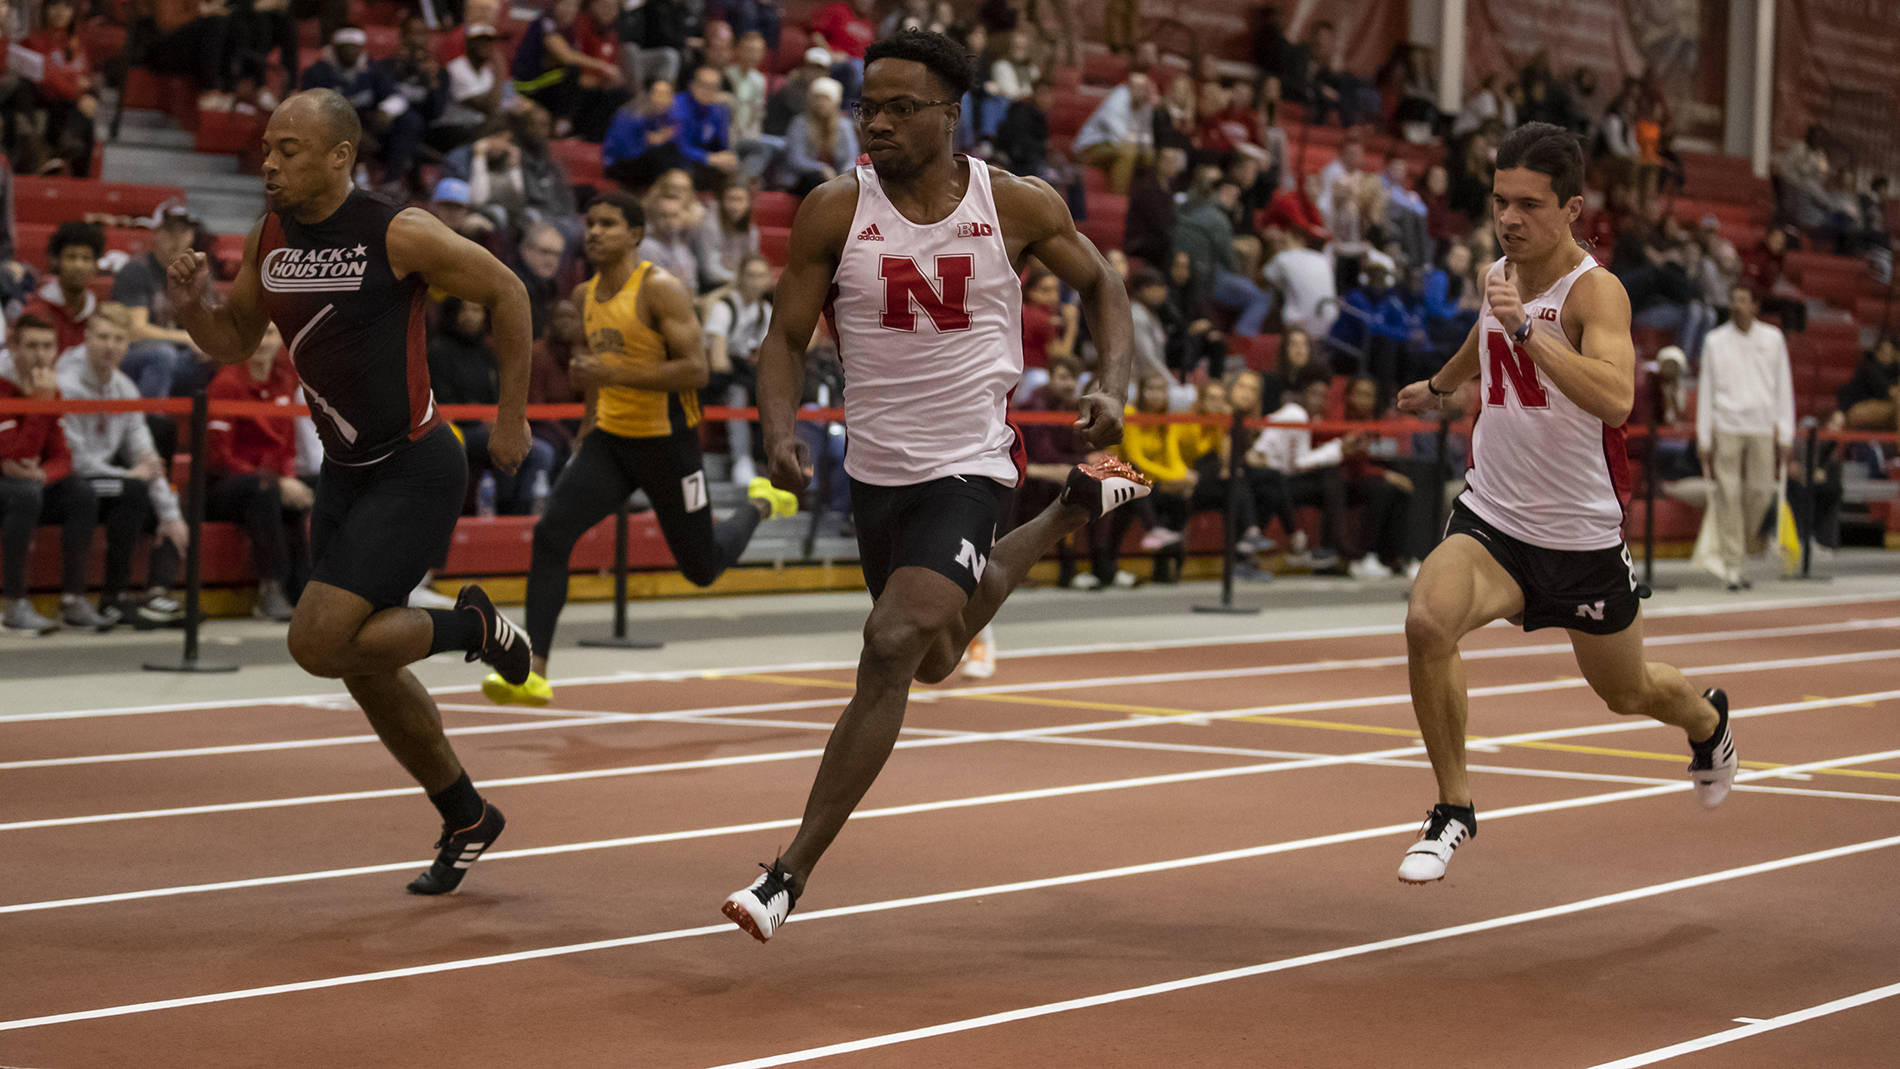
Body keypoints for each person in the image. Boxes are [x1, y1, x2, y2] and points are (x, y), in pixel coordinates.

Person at [721, 29, 1150, 941]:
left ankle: (786, 874)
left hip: (973, 462)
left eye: (897, 108)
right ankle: (1076, 506)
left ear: (952, 116)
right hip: (875, 471)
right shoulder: (834, 211)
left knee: (893, 640)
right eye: (867, 104)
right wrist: (777, 425)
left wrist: (1113, 382)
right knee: (940, 651)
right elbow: (784, 339)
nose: (873, 122)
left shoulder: (1017, 205)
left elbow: (1105, 286)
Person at [166, 89, 537, 896]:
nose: (268, 161)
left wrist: (511, 417)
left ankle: (470, 623)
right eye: (266, 146)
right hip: (343, 475)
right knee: (358, 664)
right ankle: (466, 812)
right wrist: (193, 311)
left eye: (289, 149)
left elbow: (509, 289)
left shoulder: (396, 231)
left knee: (314, 642)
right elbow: (234, 337)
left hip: (414, 466)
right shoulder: (269, 234)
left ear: (340, 156)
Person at [1393, 122, 1737, 884]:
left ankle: (1708, 720)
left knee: (1628, 691)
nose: (1509, 219)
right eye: (1498, 202)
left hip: (1579, 540)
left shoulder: (1596, 291)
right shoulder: (1499, 273)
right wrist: (1444, 386)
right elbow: (1485, 336)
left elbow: (1615, 398)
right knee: (1427, 621)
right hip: (1495, 519)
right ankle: (1453, 807)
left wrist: (1528, 329)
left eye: (1528, 205)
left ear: (1573, 208)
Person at [484, 192, 797, 707]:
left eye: (607, 223)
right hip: (611, 442)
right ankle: (532, 669)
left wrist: (613, 375)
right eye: (589, 223)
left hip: (669, 447)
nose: (594, 232)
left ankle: (761, 502)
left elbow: (697, 371)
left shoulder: (660, 290)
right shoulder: (584, 296)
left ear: (635, 234)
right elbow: (592, 374)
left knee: (701, 569)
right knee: (550, 534)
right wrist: (588, 426)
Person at [53, 304, 189, 629]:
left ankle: (141, 596)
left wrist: (171, 516)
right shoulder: (66, 383)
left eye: (118, 339)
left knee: (159, 499)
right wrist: (128, 475)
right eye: (102, 337)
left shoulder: (124, 388)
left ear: (128, 345)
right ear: (87, 338)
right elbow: (75, 458)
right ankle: (106, 598)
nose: (110, 346)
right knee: (131, 488)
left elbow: (146, 455)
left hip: (102, 480)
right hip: (66, 482)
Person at [205, 323, 313, 620]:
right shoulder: (227, 383)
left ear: (280, 338)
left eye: (269, 334)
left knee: (301, 497)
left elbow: (287, 445)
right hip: (222, 486)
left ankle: (304, 591)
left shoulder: (284, 380)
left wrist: (287, 478)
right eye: (257, 333)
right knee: (264, 491)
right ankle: (271, 589)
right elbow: (220, 457)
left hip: (267, 482)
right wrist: (277, 482)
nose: (263, 341)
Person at [1695, 285, 1793, 591]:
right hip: (1726, 425)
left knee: (1760, 493)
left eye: (1743, 299)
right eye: (1734, 299)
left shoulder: (1773, 339)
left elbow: (1783, 386)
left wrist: (1786, 432)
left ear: (1755, 305)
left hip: (1762, 426)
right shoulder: (1715, 341)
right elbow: (1706, 389)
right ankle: (1734, 565)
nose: (1737, 305)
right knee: (1728, 494)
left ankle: (1748, 548)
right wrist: (1703, 436)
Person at [0, 314, 93, 634]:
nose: (41, 355)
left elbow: (63, 457)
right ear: (13, 347)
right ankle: (14, 603)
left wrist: (44, 475)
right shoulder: (3, 387)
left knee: (81, 493)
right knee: (23, 494)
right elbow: (15, 453)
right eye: (32, 346)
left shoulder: (49, 391)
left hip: (27, 481)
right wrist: (40, 404)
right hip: (6, 484)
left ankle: (73, 599)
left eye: (47, 347)